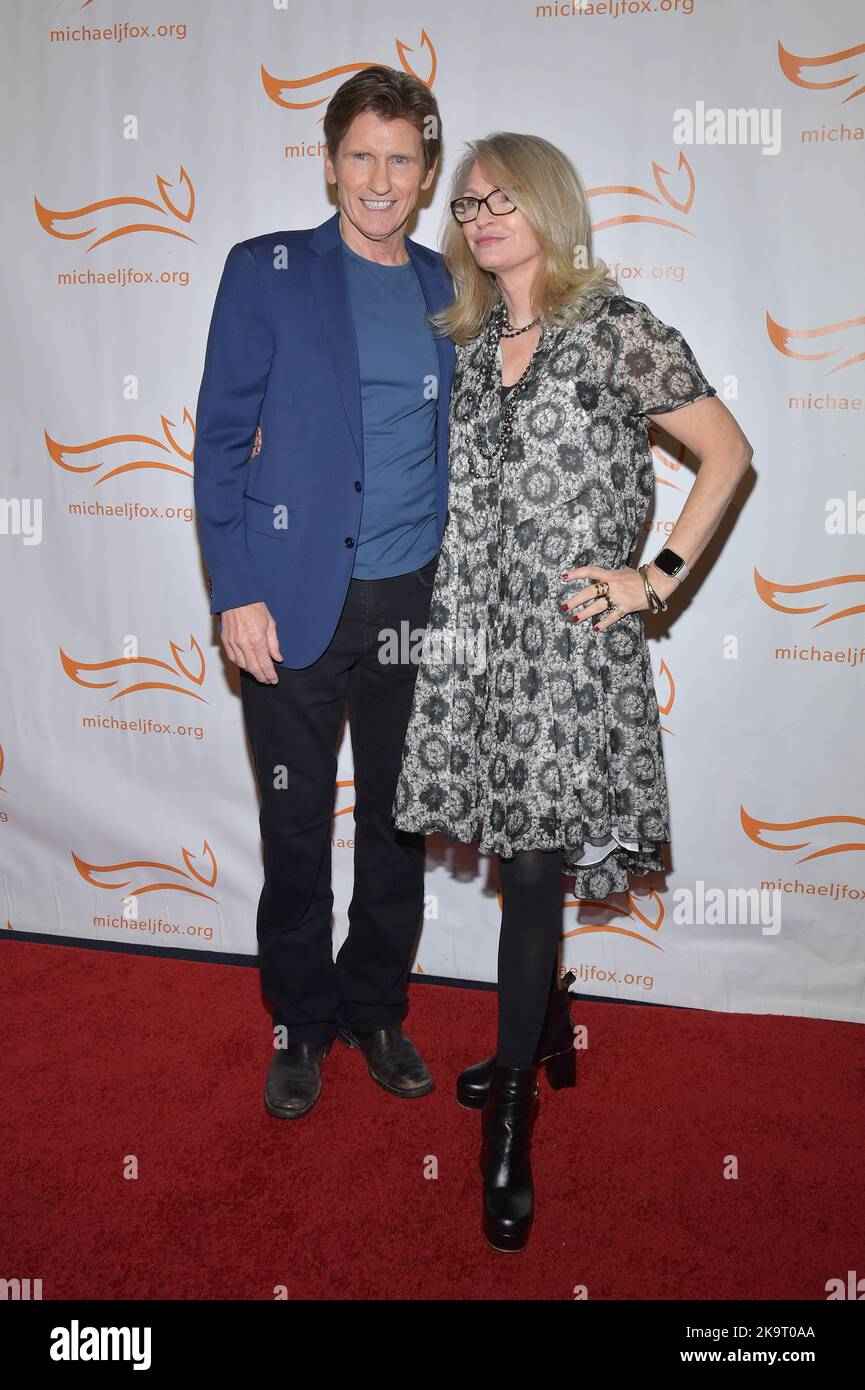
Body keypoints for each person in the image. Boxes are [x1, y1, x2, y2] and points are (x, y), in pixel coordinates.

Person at [392, 132, 754, 1252]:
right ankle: (545, 1026)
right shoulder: (464, 342)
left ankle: (513, 1107)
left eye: (503, 197)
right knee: (515, 845)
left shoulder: (612, 328)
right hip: (473, 638)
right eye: (467, 204)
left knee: (537, 854)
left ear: (547, 205)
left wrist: (655, 578)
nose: (482, 216)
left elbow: (727, 451)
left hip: (565, 644)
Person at [193, 67, 455, 1119]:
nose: (379, 178)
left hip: (414, 601)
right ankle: (300, 1023)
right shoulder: (269, 270)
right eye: (362, 155)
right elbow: (217, 443)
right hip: (292, 598)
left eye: (401, 158)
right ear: (330, 159)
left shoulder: (448, 285)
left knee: (399, 821)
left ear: (426, 170)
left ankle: (375, 1008)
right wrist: (236, 589)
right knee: (296, 828)